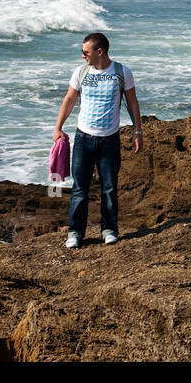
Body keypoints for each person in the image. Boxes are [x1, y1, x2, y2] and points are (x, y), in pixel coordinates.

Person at [53, 32, 142, 248]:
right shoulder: (81, 72)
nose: (83, 56)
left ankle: (109, 229)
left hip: (109, 140)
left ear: (99, 51)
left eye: (86, 52)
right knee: (79, 188)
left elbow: (132, 102)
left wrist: (138, 131)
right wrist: (58, 128)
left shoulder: (122, 72)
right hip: (83, 138)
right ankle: (75, 232)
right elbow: (70, 99)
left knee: (109, 188)